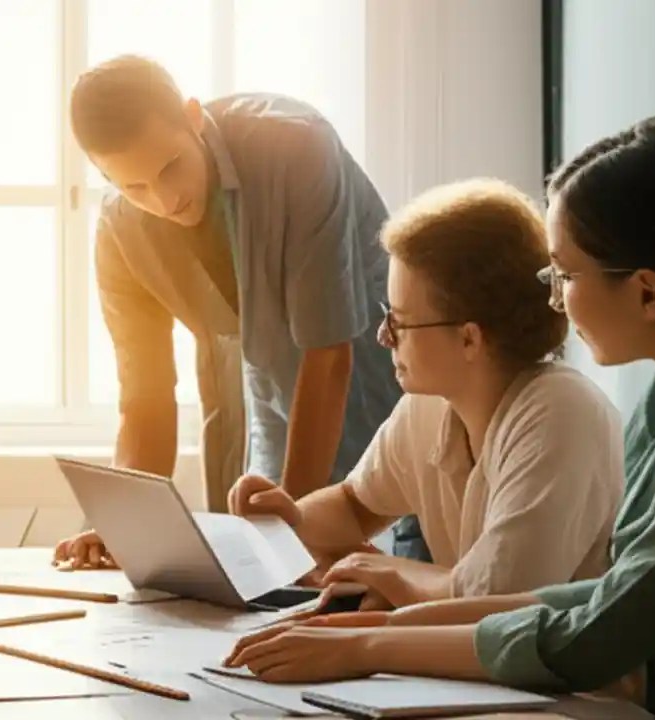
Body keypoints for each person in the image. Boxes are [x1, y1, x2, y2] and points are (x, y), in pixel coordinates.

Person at [224, 114, 655, 720]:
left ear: (648, 294)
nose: (554, 294)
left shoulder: (564, 409)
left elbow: (592, 634)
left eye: (567, 274)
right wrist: (378, 625)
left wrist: (370, 642)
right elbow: (604, 597)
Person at [54, 56, 414, 569]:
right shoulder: (118, 232)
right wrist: (120, 524)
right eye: (135, 188)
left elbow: (329, 354)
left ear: (194, 117)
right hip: (268, 385)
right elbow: (145, 397)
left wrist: (298, 524)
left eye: (170, 166)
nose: (164, 198)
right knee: (266, 571)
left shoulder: (297, 146)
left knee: (386, 562)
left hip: (382, 364)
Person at [224, 179, 622, 608]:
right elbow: (355, 506)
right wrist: (291, 521)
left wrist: (385, 573)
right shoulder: (428, 407)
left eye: (399, 322)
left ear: (469, 339)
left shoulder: (560, 414)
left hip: (557, 672)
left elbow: (495, 598)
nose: (383, 337)